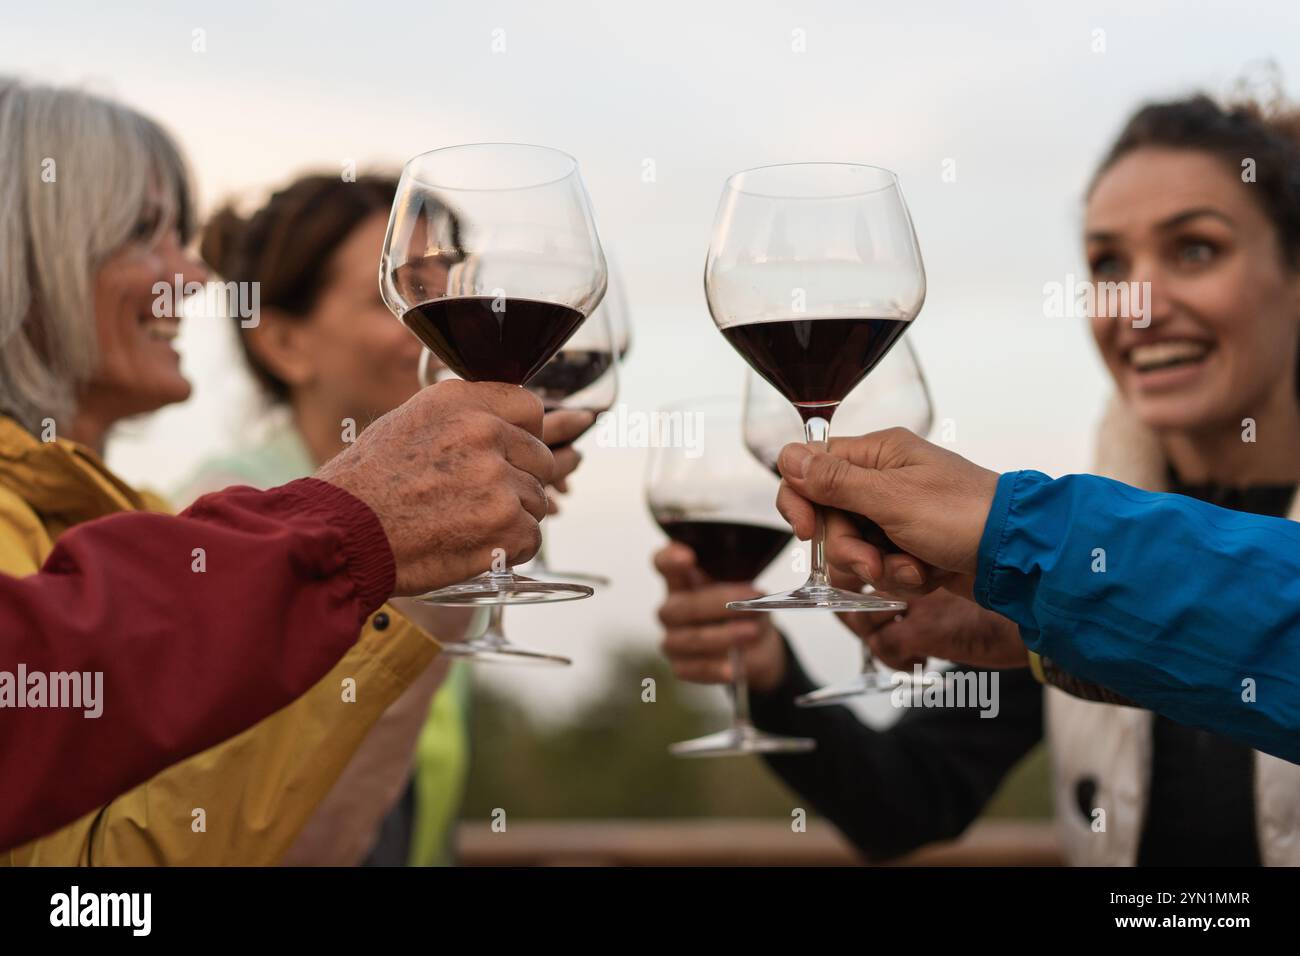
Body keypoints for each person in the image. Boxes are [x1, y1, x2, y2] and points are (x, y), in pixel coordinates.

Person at [658, 92, 1300, 865]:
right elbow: (910, 800)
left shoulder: (1064, 552)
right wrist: (770, 675)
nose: (1139, 304)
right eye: (1108, 264)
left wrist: (1015, 532)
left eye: (1195, 251)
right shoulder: (1066, 564)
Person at [0, 78, 550, 864]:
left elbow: (171, 844)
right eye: (141, 234)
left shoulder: (137, 519)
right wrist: (359, 529)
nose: (194, 277)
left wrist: (428, 559)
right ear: (22, 259)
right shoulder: (209, 518)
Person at [180, 173, 592, 865]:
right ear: (283, 344)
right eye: (395, 296)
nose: (439, 325)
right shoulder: (217, 523)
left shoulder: (439, 536)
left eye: (448, 289)